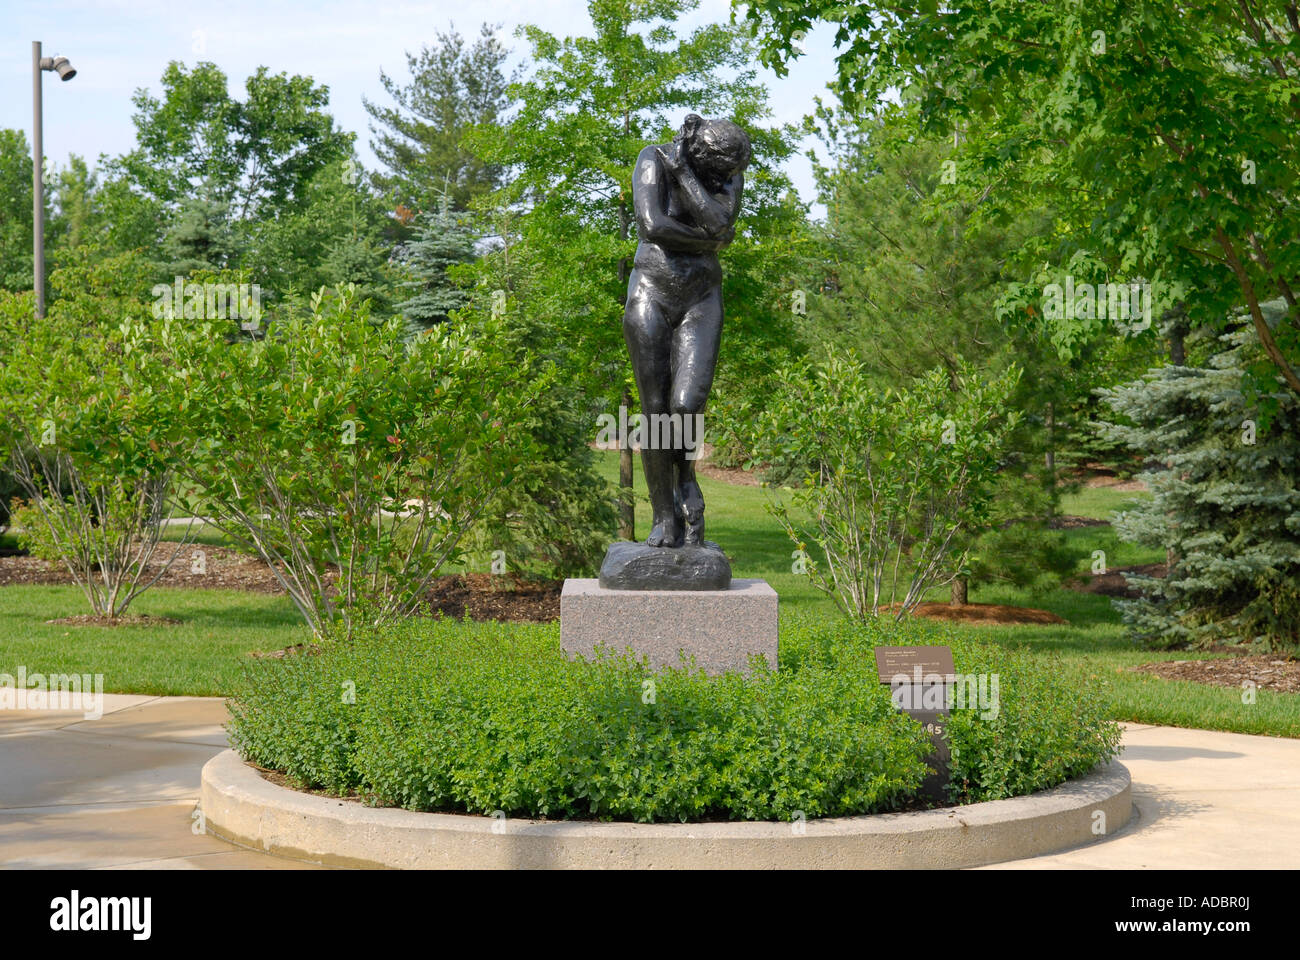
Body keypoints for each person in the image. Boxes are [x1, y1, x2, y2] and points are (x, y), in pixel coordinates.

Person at [622, 114, 751, 549]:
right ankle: (664, 519)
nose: (727, 180)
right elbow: (652, 226)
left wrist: (687, 180)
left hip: (700, 299)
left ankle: (686, 479)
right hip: (651, 295)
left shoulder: (727, 172)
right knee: (656, 411)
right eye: (718, 171)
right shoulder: (652, 160)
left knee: (686, 405)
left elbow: (720, 223)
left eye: (730, 174)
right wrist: (712, 241)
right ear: (700, 153)